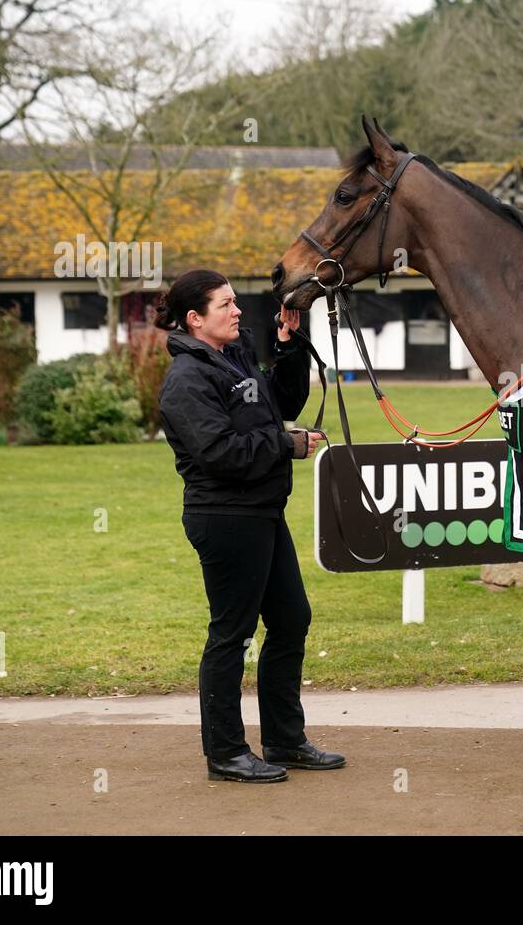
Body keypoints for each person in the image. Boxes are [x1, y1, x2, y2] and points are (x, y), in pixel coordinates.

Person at [154, 268, 345, 783]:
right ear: (195, 319)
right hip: (225, 519)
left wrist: (288, 344)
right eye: (225, 305)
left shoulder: (232, 357)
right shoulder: (188, 380)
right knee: (232, 635)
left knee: (291, 620)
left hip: (262, 512)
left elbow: (280, 404)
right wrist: (286, 444)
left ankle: (284, 740)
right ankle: (225, 752)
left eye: (236, 302)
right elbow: (220, 453)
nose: (238, 311)